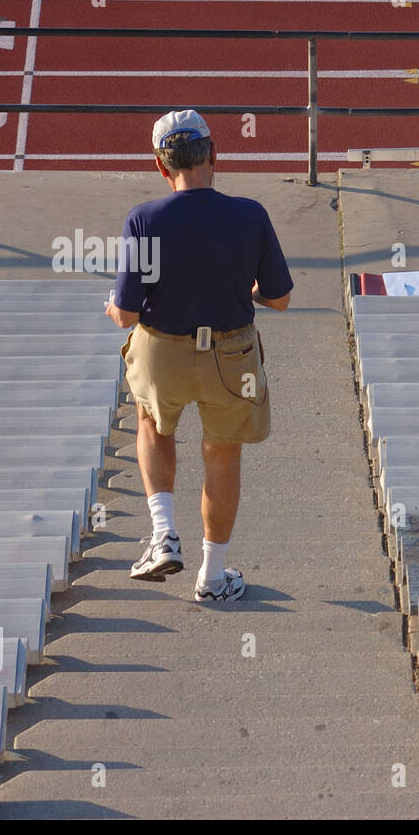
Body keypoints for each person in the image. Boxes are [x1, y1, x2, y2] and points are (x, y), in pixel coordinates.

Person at [105, 110, 293, 602]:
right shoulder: (251, 214)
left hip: (162, 352)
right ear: (214, 155)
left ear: (161, 167)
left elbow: (125, 315)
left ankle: (163, 535)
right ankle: (211, 579)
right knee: (222, 452)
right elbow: (279, 299)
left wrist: (111, 304)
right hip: (231, 355)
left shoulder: (144, 218)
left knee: (152, 422)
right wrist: (243, 287)